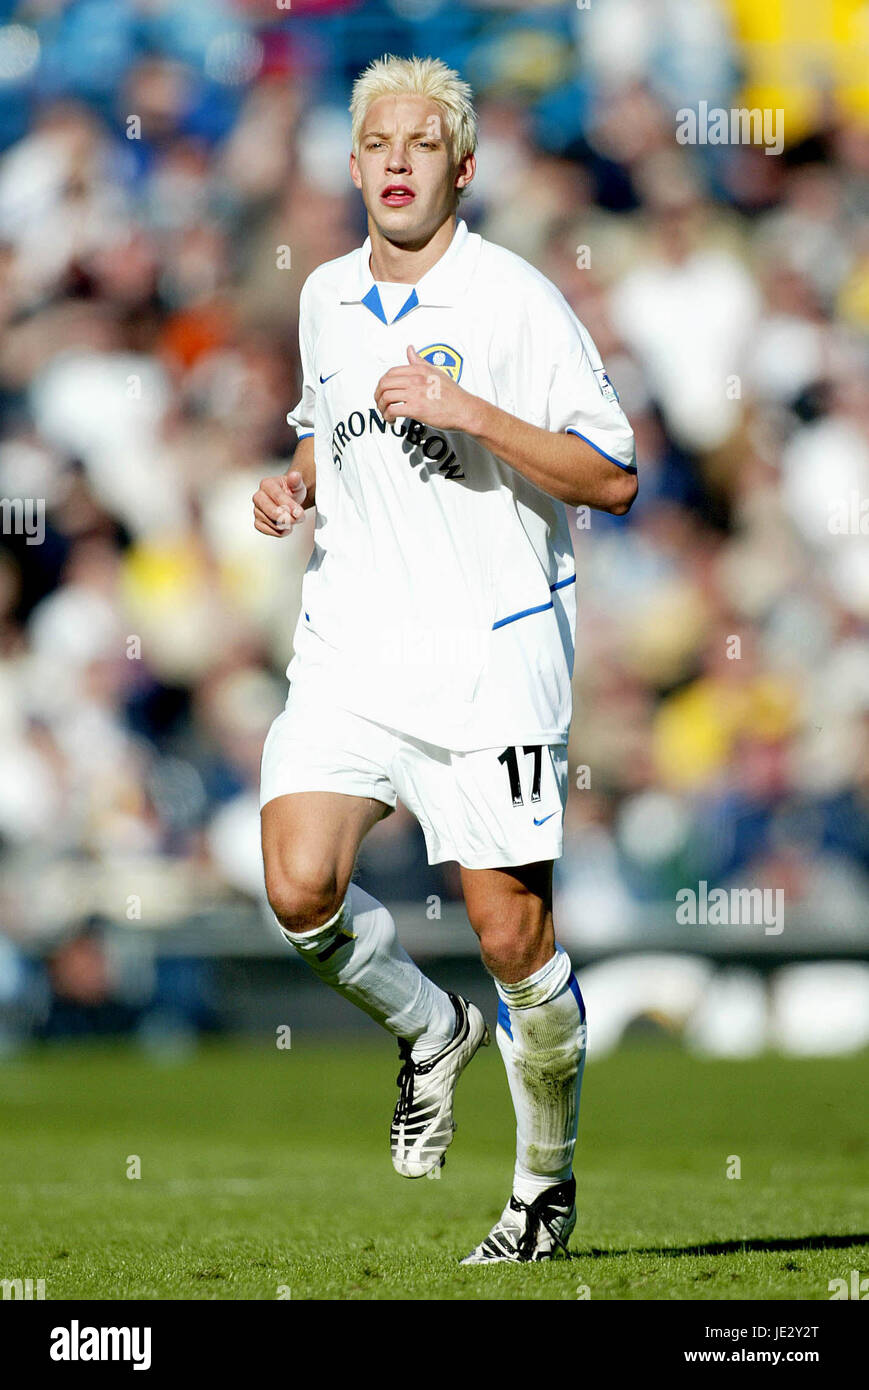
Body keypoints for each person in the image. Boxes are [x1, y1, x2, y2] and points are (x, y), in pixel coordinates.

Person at [253, 54, 636, 1263]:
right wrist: (295, 479)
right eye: (378, 144)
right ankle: (428, 1031)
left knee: (514, 942)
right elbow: (330, 419)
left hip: (488, 658)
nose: (399, 161)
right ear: (355, 165)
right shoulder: (321, 295)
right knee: (297, 885)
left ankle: (542, 1189)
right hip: (353, 648)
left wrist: (475, 414)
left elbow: (612, 475)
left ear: (461, 168)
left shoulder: (512, 298)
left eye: (424, 144)